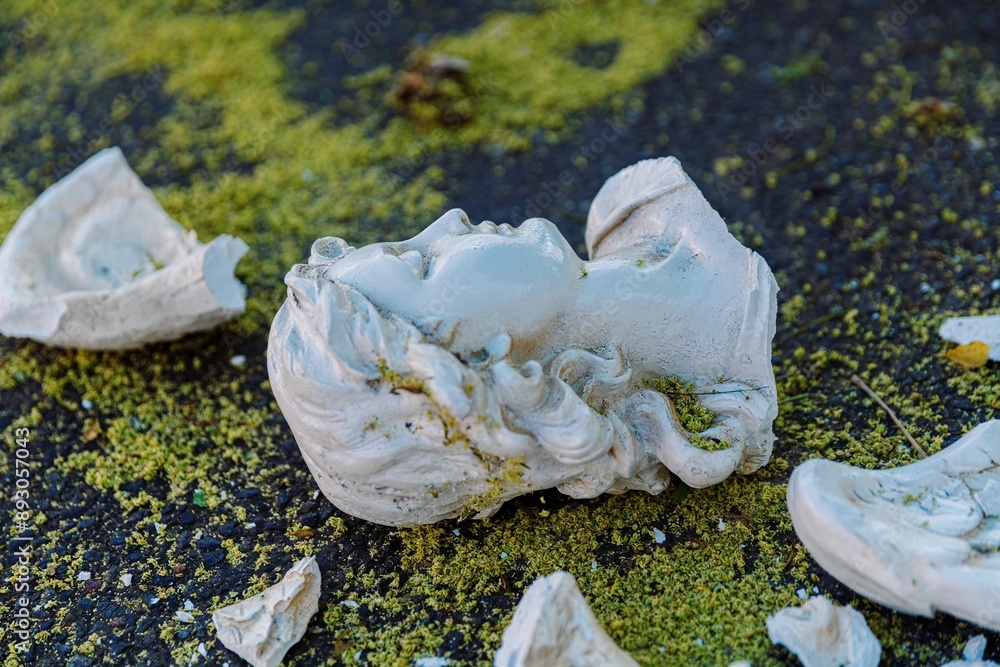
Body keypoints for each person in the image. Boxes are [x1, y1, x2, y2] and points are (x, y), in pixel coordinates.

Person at [268, 157, 778, 527]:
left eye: (413, 238)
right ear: (484, 370)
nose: (448, 221)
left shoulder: (628, 207)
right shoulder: (731, 394)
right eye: (424, 261)